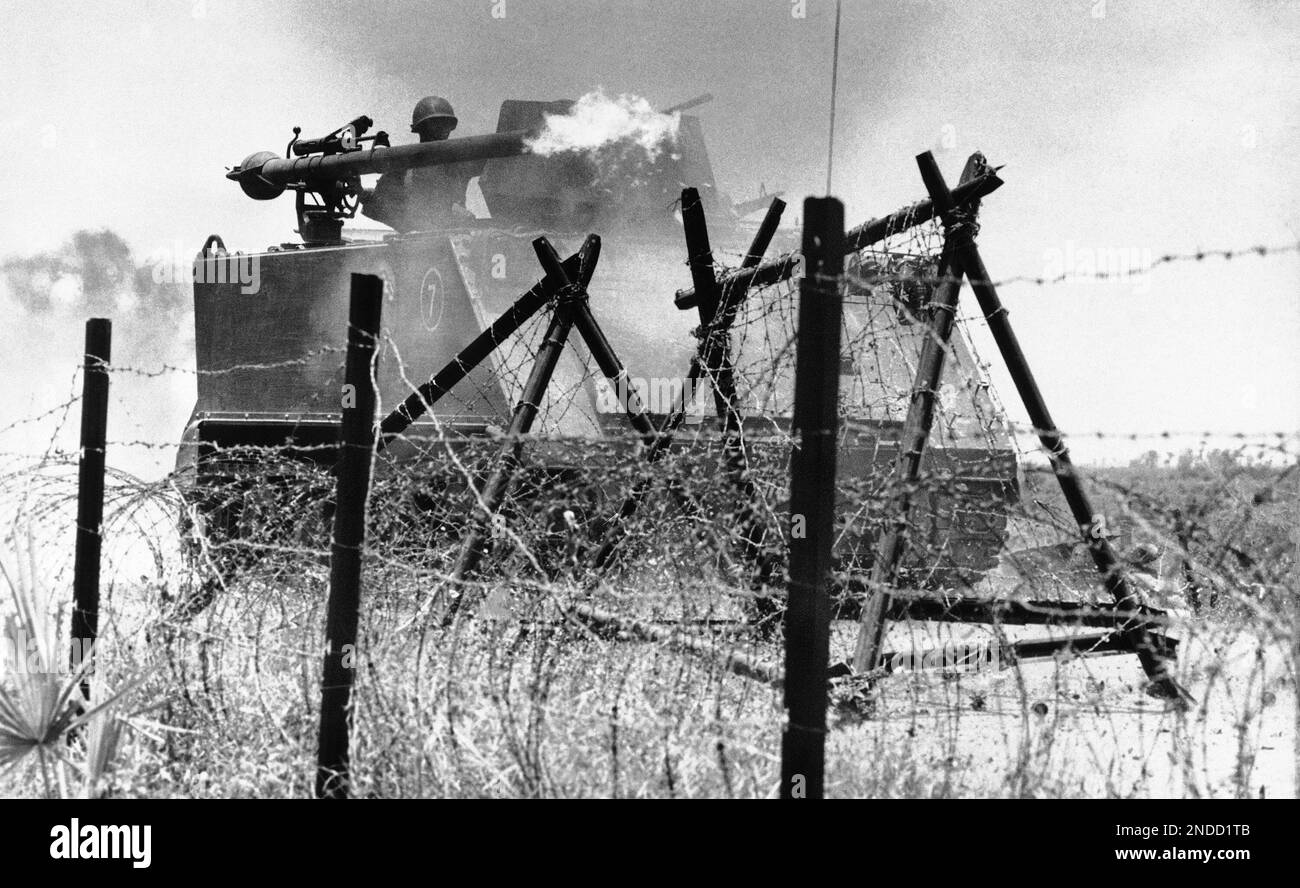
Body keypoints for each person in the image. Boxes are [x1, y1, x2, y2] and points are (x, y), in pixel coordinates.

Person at [362, 96, 484, 231]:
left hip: (454, 236)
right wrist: (361, 193)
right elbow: (380, 207)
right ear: (422, 128)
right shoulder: (402, 165)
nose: (443, 130)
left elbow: (491, 166)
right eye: (436, 124)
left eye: (447, 124)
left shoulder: (458, 162)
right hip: (416, 241)